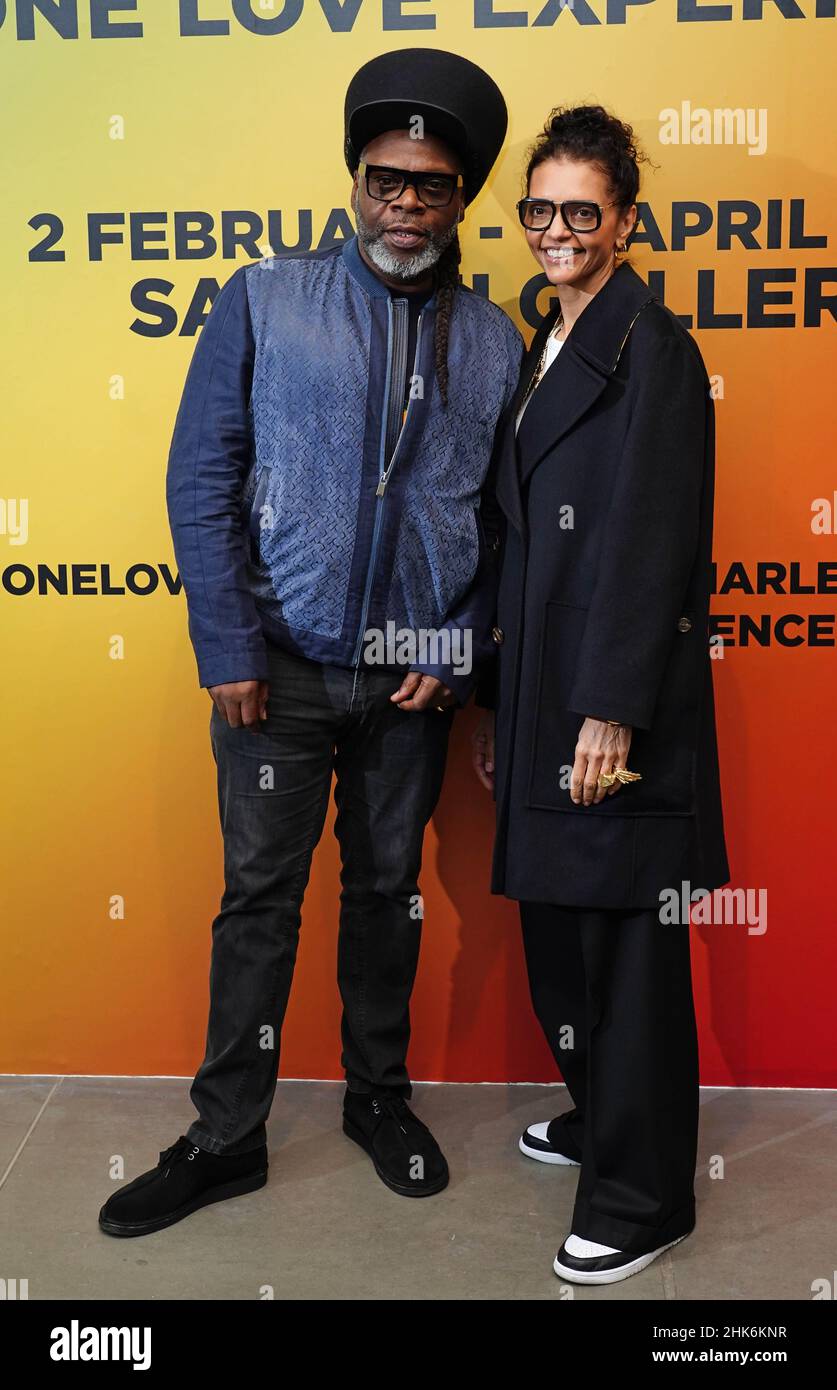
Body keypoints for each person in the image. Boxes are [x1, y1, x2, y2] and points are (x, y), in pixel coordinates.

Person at [98, 48, 523, 1238]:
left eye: (430, 186)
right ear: (354, 178)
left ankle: (377, 1102)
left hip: (410, 679)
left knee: (387, 896)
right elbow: (204, 473)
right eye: (385, 178)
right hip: (277, 667)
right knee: (259, 901)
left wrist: (463, 640)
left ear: (459, 200)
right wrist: (228, 640)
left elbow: (506, 525)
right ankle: (226, 1134)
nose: (404, 202)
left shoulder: (494, 342)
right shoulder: (265, 296)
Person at [471, 105, 730, 1285]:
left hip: (611, 702)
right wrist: (504, 707)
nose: (560, 230)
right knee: (563, 941)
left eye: (585, 210)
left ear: (625, 219)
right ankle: (604, 1115)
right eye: (542, 209)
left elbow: (651, 543)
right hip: (541, 692)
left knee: (626, 950)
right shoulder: (547, 342)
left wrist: (610, 709)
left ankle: (644, 1193)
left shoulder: (655, 349)